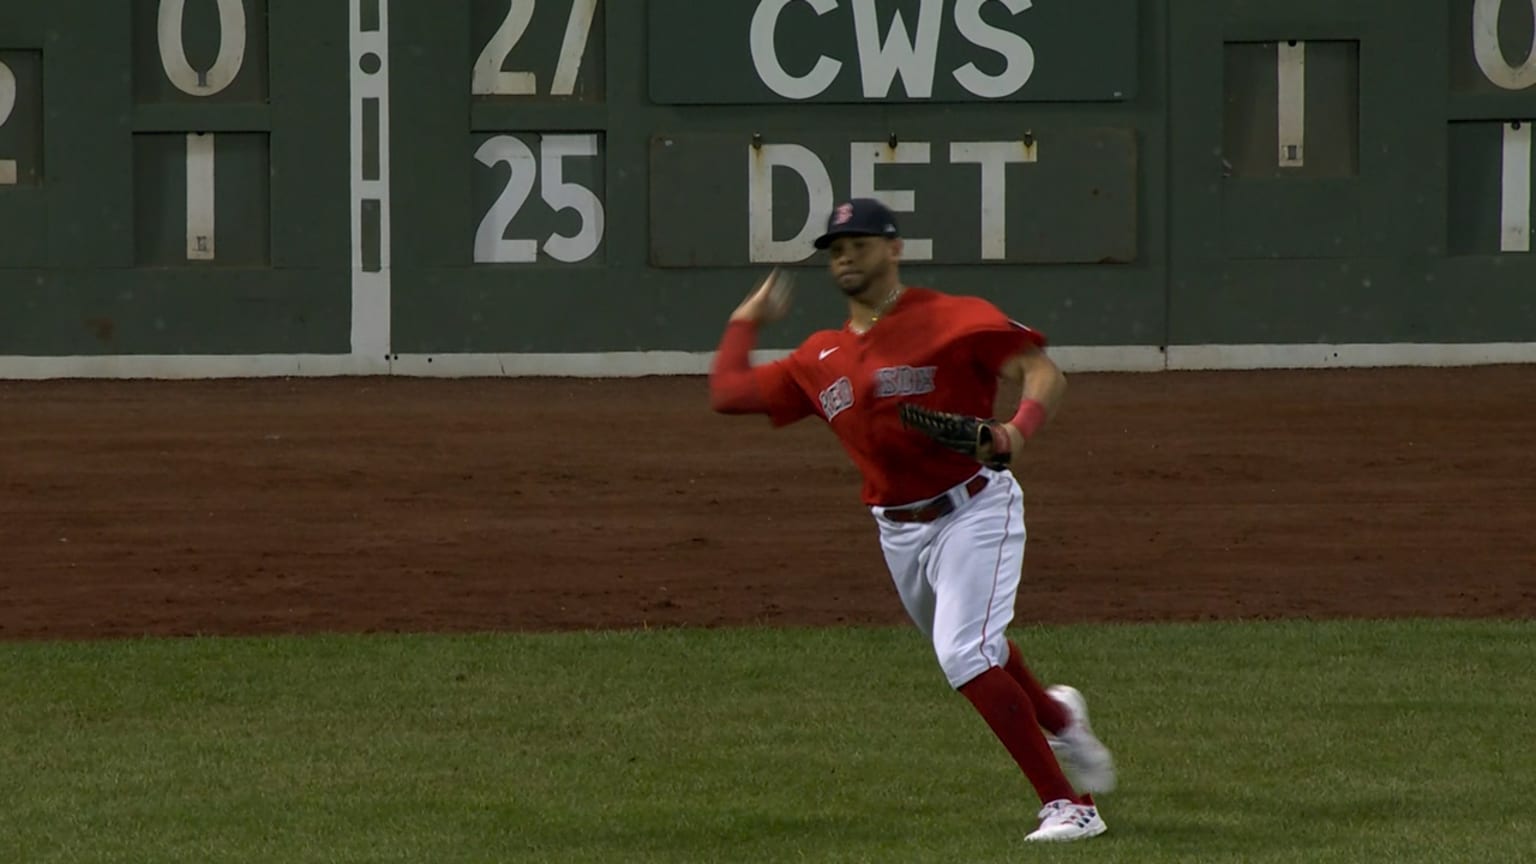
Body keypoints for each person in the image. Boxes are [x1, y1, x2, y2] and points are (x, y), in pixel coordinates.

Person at [707, 197, 1117, 843]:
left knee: (963, 652)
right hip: (898, 530)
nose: (845, 255)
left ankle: (1071, 806)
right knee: (977, 650)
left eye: (861, 242)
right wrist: (744, 320)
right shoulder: (820, 358)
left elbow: (1044, 374)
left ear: (894, 249)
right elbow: (727, 393)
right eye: (835, 247)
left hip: (976, 506)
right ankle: (1060, 720)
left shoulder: (954, 319)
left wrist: (1014, 430)